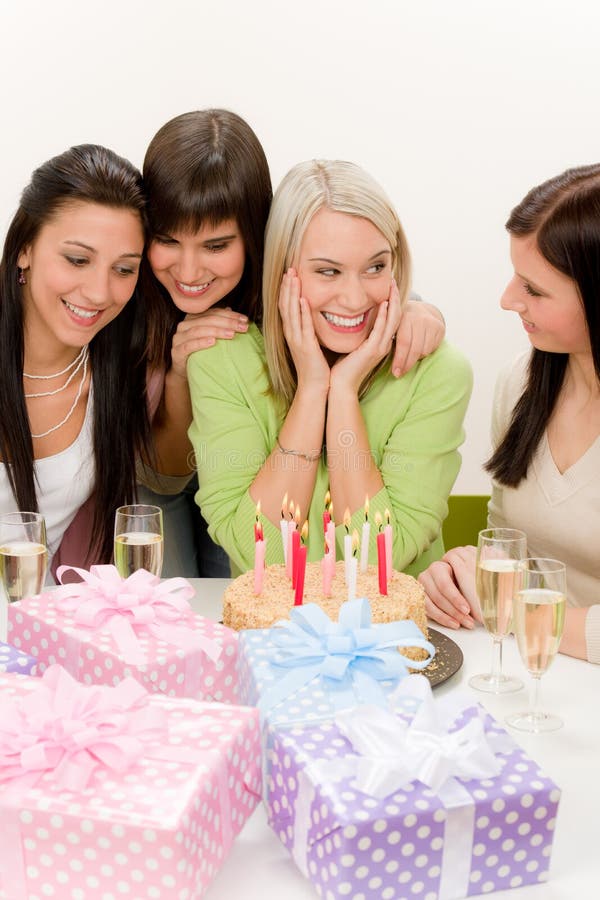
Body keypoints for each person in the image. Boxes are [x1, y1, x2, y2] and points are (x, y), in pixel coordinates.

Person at [138, 109, 449, 576]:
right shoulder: (134, 299)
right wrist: (180, 373)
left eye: (217, 246)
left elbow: (355, 290)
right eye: (167, 241)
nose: (188, 271)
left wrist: (417, 309)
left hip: (265, 476)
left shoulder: (286, 287)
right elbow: (165, 477)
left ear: (259, 237)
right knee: (182, 587)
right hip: (172, 477)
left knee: (252, 572)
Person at [418, 164, 600, 664]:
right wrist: (463, 576)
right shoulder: (521, 382)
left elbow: (519, 601)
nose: (507, 300)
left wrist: (518, 610)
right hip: (536, 675)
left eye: (534, 289)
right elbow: (509, 544)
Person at [0, 144, 159, 576]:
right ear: (25, 249)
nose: (99, 292)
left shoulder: (116, 381)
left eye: (124, 269)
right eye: (77, 260)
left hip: (32, 628)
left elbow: (174, 474)